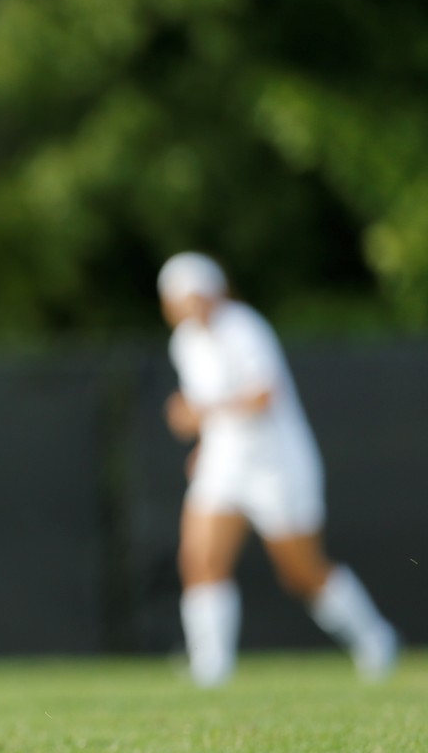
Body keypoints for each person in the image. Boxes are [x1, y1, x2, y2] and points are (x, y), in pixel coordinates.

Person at [157, 251, 400, 686]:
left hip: (277, 466)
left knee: (302, 573)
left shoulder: (243, 327)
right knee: (200, 559)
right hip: (224, 464)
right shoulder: (184, 342)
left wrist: (202, 413)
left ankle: (374, 638)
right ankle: (210, 667)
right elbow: (211, 409)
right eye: (179, 298)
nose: (188, 306)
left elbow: (263, 396)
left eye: (194, 296)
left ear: (214, 293)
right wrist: (204, 443)